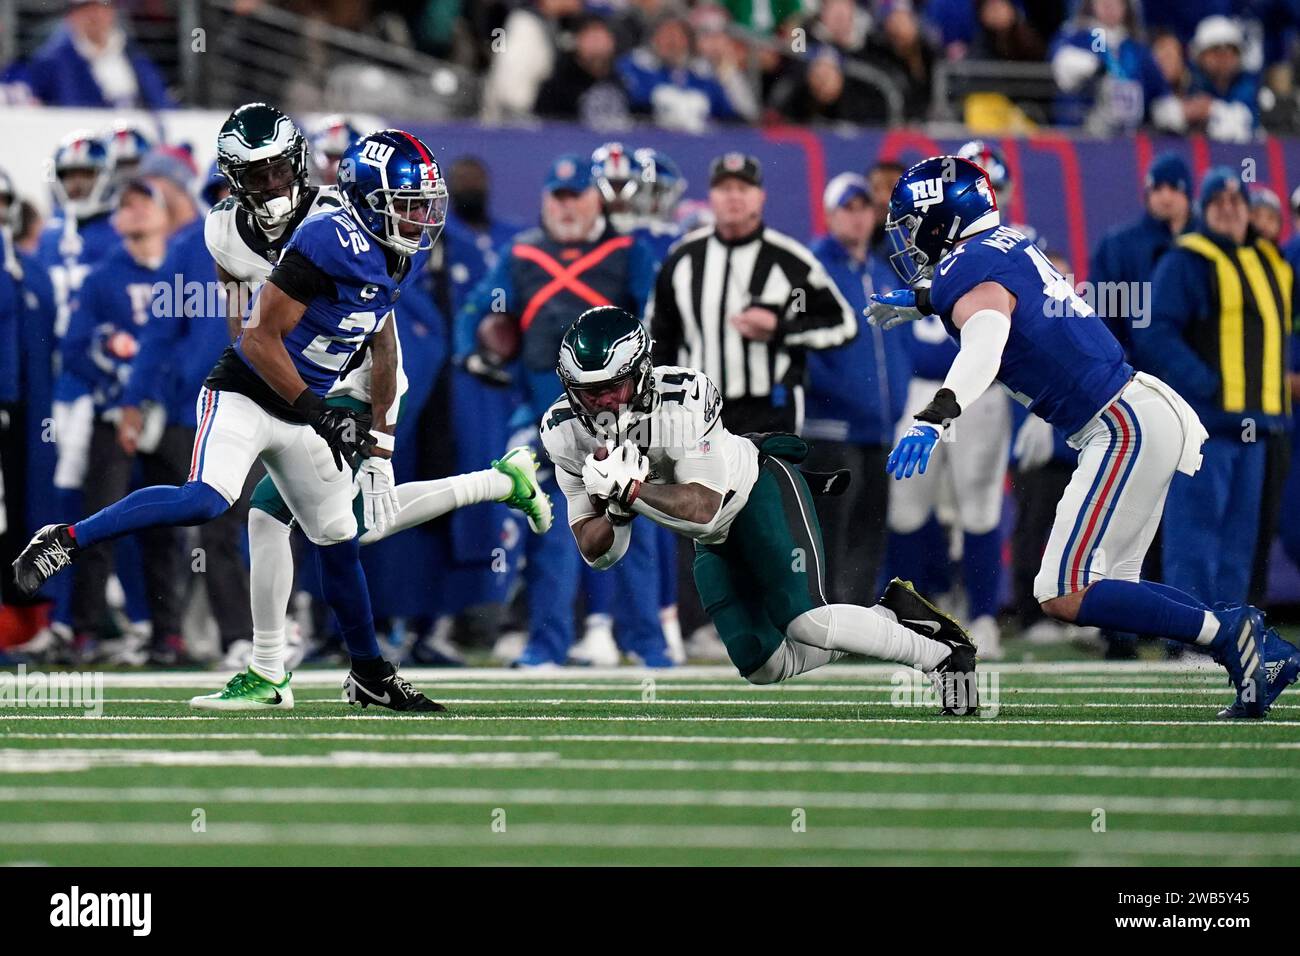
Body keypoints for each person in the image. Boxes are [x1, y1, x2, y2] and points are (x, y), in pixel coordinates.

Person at [12, 129, 461, 714]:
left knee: (337, 541)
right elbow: (255, 340)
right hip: (248, 392)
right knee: (207, 500)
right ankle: (66, 539)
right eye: (406, 205)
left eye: (423, 205)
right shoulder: (326, 240)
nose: (419, 218)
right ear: (369, 200)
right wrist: (320, 412)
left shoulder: (395, 251)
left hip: (307, 406)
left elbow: (386, 348)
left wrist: (380, 447)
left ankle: (370, 671)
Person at [868, 154, 1299, 720]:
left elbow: (987, 341)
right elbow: (1005, 301)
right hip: (1139, 410)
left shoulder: (964, 267)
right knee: (1108, 585)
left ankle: (1234, 637)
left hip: (1120, 424)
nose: (906, 236)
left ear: (941, 217)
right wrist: (926, 300)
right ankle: (1246, 651)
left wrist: (932, 418)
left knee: (1064, 590)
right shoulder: (1004, 243)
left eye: (910, 220)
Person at [196, 106, 551, 705]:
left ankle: (271, 669)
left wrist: (381, 443)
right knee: (348, 524)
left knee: (293, 518)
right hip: (303, 382)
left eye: (281, 170)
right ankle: (498, 482)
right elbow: (246, 326)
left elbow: (385, 348)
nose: (273, 184)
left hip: (356, 385)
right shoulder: (226, 229)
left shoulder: (344, 224)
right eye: (256, 175)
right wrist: (259, 391)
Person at [542, 305, 979, 714]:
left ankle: (942, 656)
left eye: (610, 388)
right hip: (713, 541)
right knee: (763, 666)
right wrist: (618, 511)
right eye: (587, 391)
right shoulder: (563, 432)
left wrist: (632, 491)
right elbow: (600, 554)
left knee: (808, 622)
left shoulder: (683, 398)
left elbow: (705, 507)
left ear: (641, 374)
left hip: (755, 492)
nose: (600, 403)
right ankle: (890, 617)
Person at [456, 153, 660, 668]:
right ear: (546, 201)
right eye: (558, 198)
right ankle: (545, 643)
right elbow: (482, 309)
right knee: (550, 527)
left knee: (637, 520)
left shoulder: (628, 250)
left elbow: (656, 319)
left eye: (577, 197)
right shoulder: (522, 253)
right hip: (547, 413)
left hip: (619, 416)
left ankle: (648, 645)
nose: (567, 208)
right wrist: (477, 352)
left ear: (597, 199)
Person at [1135, 168, 1295, 613]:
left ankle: (1226, 630)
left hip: (1259, 427)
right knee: (1196, 531)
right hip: (1208, 426)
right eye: (1219, 203)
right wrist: (1206, 384)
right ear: (1204, 211)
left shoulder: (1268, 262)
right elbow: (1154, 332)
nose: (1229, 210)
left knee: (1240, 539)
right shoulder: (1187, 259)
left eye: (1237, 202)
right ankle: (1188, 631)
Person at [884, 140, 1018, 659]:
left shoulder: (1010, 247)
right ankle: (922, 611)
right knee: (908, 506)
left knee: (980, 507)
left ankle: (983, 616)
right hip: (923, 387)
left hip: (980, 392)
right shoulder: (927, 241)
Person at [649, 152, 857, 436]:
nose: (734, 197)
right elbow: (660, 335)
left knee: (768, 481)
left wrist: (781, 329)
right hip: (697, 408)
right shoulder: (682, 259)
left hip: (770, 409)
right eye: (725, 189)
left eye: (743, 188)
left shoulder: (792, 264)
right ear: (711, 196)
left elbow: (842, 324)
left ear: (761, 196)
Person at [804, 172, 909, 606]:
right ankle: (821, 620)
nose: (857, 217)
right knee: (829, 530)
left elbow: (900, 345)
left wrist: (895, 399)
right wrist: (835, 392)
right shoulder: (809, 269)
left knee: (868, 530)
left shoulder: (882, 273)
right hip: (830, 427)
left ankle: (856, 622)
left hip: (878, 427)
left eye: (864, 207)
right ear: (829, 214)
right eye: (847, 207)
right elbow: (799, 341)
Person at [1090, 151, 1194, 353]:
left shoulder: (1205, 244)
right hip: (1137, 368)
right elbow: (1101, 312)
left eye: (1174, 187)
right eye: (1157, 188)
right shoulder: (1118, 245)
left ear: (1187, 193)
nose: (1166, 196)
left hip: (1196, 366)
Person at [6, 0, 173, 109]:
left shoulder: (133, 55)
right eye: (87, 10)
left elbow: (162, 104)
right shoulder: (52, 61)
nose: (96, 17)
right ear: (71, 16)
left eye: (102, 9)